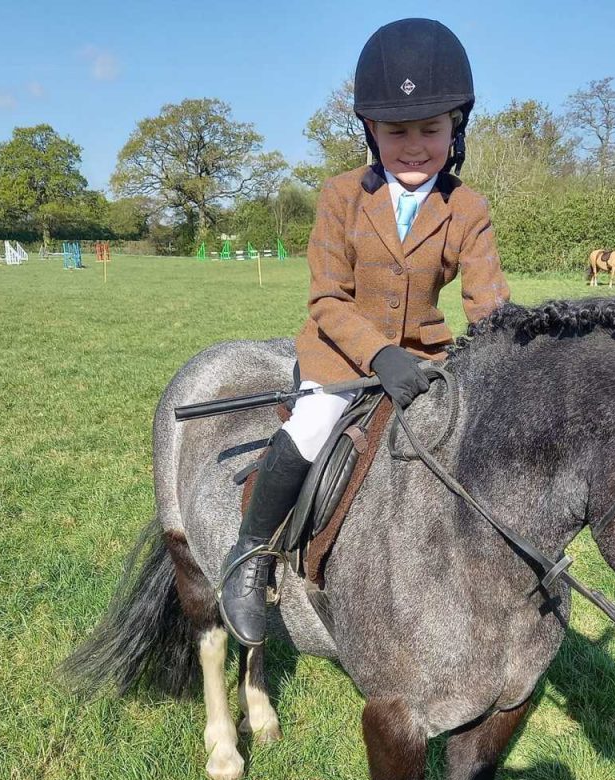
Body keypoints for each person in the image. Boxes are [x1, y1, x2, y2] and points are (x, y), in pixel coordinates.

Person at [221, 17, 510, 645]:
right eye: (396, 131)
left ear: (455, 128)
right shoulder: (339, 197)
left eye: (429, 130)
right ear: (370, 130)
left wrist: (503, 359)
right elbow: (327, 297)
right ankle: (249, 558)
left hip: (427, 361)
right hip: (341, 359)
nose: (413, 146)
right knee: (313, 424)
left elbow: (487, 302)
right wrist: (379, 354)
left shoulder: (468, 207)